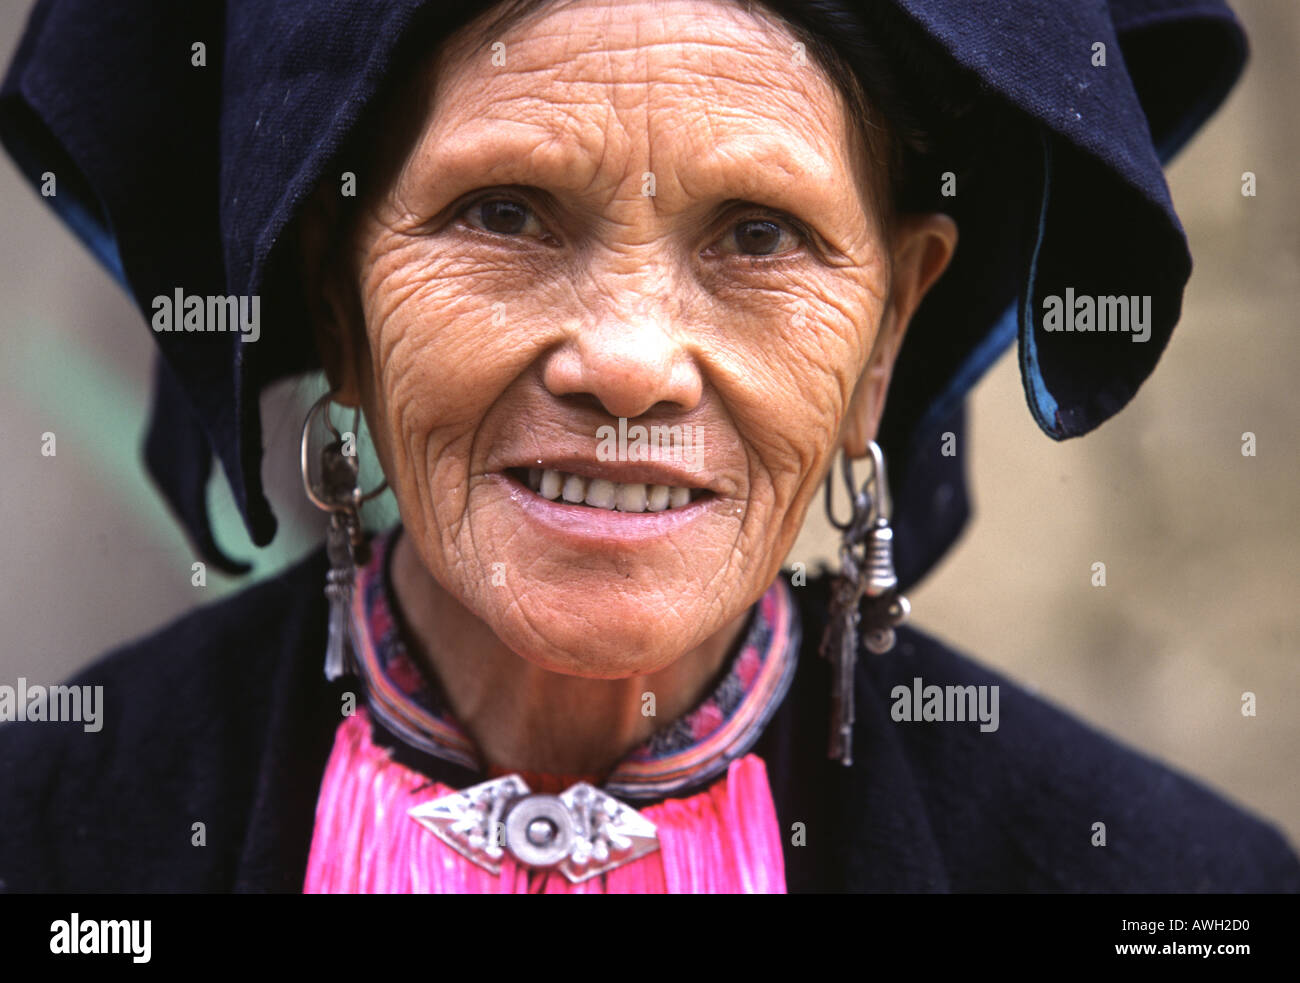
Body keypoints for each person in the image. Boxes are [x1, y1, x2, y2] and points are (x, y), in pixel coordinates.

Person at [0, 0, 1295, 893]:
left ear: (890, 325)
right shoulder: (50, 840)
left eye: (758, 235)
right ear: (341, 299)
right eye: (505, 213)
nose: (624, 360)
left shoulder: (1156, 888)